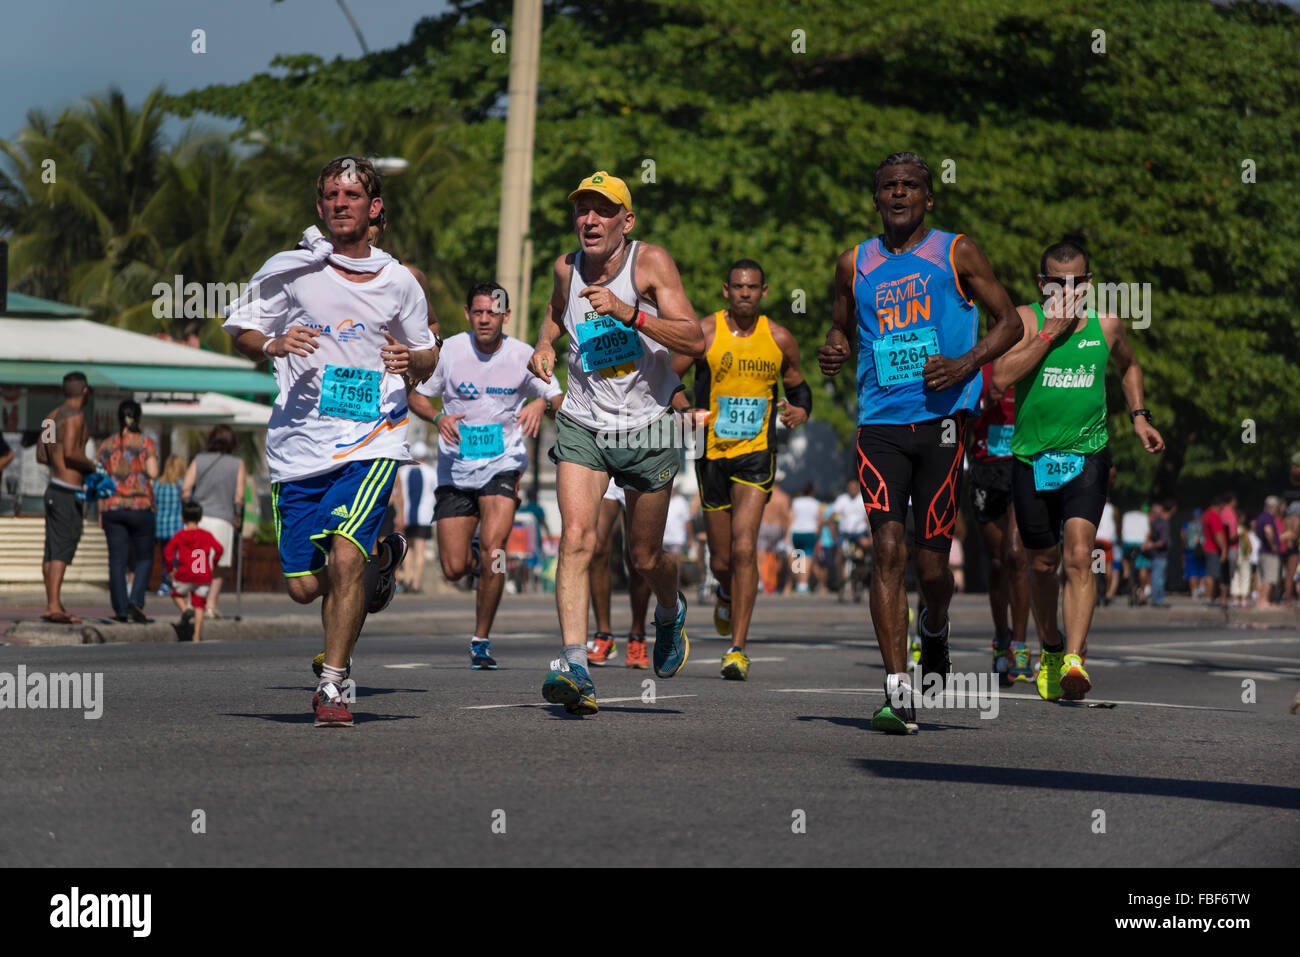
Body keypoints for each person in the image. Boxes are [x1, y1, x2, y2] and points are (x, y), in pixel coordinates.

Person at [222, 155, 437, 727]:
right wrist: (270, 344)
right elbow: (241, 330)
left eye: (352, 195)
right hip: (298, 444)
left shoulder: (399, 280)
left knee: (345, 554)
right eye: (331, 196)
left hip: (372, 437)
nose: (340, 203)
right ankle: (384, 560)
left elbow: (427, 353)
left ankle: (334, 685)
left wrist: (410, 360)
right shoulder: (292, 268)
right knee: (301, 586)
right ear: (320, 207)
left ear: (374, 208)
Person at [818, 151, 1025, 734]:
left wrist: (966, 365)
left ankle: (935, 626)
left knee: (934, 566)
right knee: (888, 550)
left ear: (928, 199)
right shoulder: (853, 262)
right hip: (879, 425)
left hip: (942, 427)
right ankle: (896, 689)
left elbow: (1010, 322)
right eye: (889, 187)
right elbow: (840, 328)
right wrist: (834, 348)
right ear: (876, 199)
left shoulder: (956, 252)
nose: (900, 194)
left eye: (911, 186)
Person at [527, 170, 705, 715]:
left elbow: (694, 339)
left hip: (650, 424)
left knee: (644, 555)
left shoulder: (650, 263)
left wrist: (631, 312)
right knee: (577, 539)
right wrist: (544, 347)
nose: (590, 219)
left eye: (603, 210)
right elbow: (557, 313)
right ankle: (576, 666)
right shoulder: (566, 267)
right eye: (582, 208)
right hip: (583, 421)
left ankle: (670, 612)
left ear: (626, 221)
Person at [992, 240, 1164, 702]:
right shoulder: (1025, 321)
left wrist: (1140, 416)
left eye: (1076, 283)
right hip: (1031, 459)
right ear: (1041, 283)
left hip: (1088, 455)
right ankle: (1049, 646)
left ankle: (1074, 658)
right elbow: (1001, 377)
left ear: (1088, 283)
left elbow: (1129, 365)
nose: (1067, 291)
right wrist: (1050, 332)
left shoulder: (1107, 324)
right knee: (1042, 565)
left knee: (1079, 553)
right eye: (1057, 283)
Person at [409, 280, 563, 669]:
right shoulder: (451, 352)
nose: (484, 319)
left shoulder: (524, 355)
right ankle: (479, 560)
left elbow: (559, 398)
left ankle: (481, 639)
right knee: (453, 568)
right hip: (456, 467)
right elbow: (414, 393)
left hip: (502, 464)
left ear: (505, 316)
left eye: (492, 313)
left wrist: (539, 406)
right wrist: (438, 416)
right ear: (467, 314)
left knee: (495, 549)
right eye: (477, 312)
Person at [669, 259, 810, 678]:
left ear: (763, 291)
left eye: (752, 287)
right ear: (725, 290)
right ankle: (726, 594)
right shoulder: (704, 333)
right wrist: (683, 409)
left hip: (756, 453)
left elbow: (799, 386)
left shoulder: (780, 338)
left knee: (746, 548)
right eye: (737, 287)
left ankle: (737, 648)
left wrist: (800, 409)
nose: (745, 293)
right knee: (722, 560)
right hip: (711, 452)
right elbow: (668, 379)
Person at [966, 363, 1031, 684]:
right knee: (996, 562)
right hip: (984, 468)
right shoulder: (976, 367)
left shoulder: (1033, 360)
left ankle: (1019, 646)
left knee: (1017, 554)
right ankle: (1001, 637)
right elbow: (955, 418)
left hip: (1022, 464)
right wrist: (978, 408)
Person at [38, 372, 96, 624]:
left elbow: (41, 455)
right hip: (67, 490)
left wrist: (57, 459)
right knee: (62, 547)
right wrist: (93, 467)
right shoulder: (75, 416)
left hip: (52, 487)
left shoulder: (51, 417)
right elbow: (72, 453)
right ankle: (53, 606)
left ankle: (54, 602)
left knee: (51, 548)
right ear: (84, 391)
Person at [98, 399, 160, 623]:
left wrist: (100, 511)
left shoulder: (106, 445)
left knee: (117, 560)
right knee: (143, 558)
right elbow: (153, 473)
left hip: (113, 507)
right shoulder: (145, 443)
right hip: (140, 506)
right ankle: (136, 600)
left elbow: (100, 480)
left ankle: (121, 609)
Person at [586, 480, 652, 668]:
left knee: (638, 557)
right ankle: (604, 636)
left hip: (639, 466)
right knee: (597, 548)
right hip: (609, 466)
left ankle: (637, 635)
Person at [182, 425, 245, 619]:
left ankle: (193, 602)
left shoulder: (199, 460)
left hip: (199, 519)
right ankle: (210, 604)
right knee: (220, 564)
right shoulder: (237, 463)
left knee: (197, 562)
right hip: (222, 519)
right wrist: (238, 517)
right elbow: (239, 496)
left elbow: (185, 488)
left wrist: (188, 509)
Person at [164, 500, 223, 642]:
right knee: (199, 604)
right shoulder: (206, 535)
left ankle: (185, 610)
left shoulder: (179, 536)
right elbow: (219, 549)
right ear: (200, 517)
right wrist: (213, 564)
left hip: (184, 574)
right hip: (203, 575)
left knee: (176, 594)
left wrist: (171, 568)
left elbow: (168, 552)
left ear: (182, 518)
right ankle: (196, 635)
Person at [393, 441, 437, 593]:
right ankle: (416, 583)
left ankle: (408, 579)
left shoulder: (404, 472)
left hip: (406, 516)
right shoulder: (431, 472)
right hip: (424, 517)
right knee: (420, 550)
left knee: (408, 549)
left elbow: (398, 494)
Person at [832, 478, 872, 602]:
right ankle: (840, 587)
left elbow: (867, 519)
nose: (852, 490)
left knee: (862, 555)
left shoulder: (863, 500)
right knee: (839, 556)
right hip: (845, 534)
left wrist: (870, 536)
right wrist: (833, 534)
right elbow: (834, 516)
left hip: (859, 533)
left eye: (854, 487)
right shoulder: (842, 500)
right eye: (850, 487)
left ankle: (859, 584)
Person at [153, 455, 187, 597]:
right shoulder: (182, 484)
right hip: (177, 527)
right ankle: (176, 583)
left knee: (166, 557)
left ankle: (165, 583)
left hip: (161, 526)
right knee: (179, 558)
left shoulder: (157, 484)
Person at [759, 480, 792, 595]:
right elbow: (786, 517)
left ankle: (761, 583)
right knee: (776, 557)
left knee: (761, 558)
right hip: (777, 527)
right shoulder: (783, 497)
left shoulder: (762, 493)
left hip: (763, 525)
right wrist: (787, 534)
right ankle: (773, 583)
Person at [788, 483, 822, 594]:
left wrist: (788, 533)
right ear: (813, 492)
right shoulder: (816, 503)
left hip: (796, 531)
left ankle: (798, 582)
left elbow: (791, 517)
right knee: (806, 557)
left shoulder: (796, 502)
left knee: (797, 557)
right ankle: (803, 584)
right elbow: (819, 519)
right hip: (809, 531)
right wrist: (818, 533)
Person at [1255, 497, 1283, 608]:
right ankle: (1264, 601)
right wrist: (1273, 545)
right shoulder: (1268, 517)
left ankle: (1261, 600)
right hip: (1269, 552)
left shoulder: (1261, 517)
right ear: (1274, 507)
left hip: (1263, 551)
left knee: (1262, 578)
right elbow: (1268, 531)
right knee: (1269, 578)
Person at [1201, 493, 1229, 607]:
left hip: (1207, 547)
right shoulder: (1214, 515)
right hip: (1213, 548)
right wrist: (1224, 549)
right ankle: (1209, 597)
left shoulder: (1206, 514)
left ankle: (1210, 597)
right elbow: (1218, 534)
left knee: (1210, 573)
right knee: (1213, 574)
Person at [1146, 499, 1174, 608]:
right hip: (1160, 555)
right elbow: (1163, 541)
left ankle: (1157, 599)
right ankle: (1157, 600)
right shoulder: (1162, 523)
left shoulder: (1156, 523)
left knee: (1157, 577)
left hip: (1157, 554)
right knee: (1158, 578)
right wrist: (1153, 545)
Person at [1120, 503, 1150, 603]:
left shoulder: (1126, 515)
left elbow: (1122, 530)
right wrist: (1146, 542)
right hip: (1140, 543)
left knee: (1125, 556)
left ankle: (1126, 570)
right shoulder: (1144, 517)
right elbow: (1147, 532)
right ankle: (1142, 593)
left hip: (1127, 543)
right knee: (1143, 566)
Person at [1181, 508, 1206, 601]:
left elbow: (1183, 536)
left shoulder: (1187, 525)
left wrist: (1185, 546)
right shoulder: (1203, 525)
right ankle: (1202, 588)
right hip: (1202, 551)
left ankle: (1194, 592)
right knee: (1203, 571)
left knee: (1192, 572)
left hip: (1190, 551)